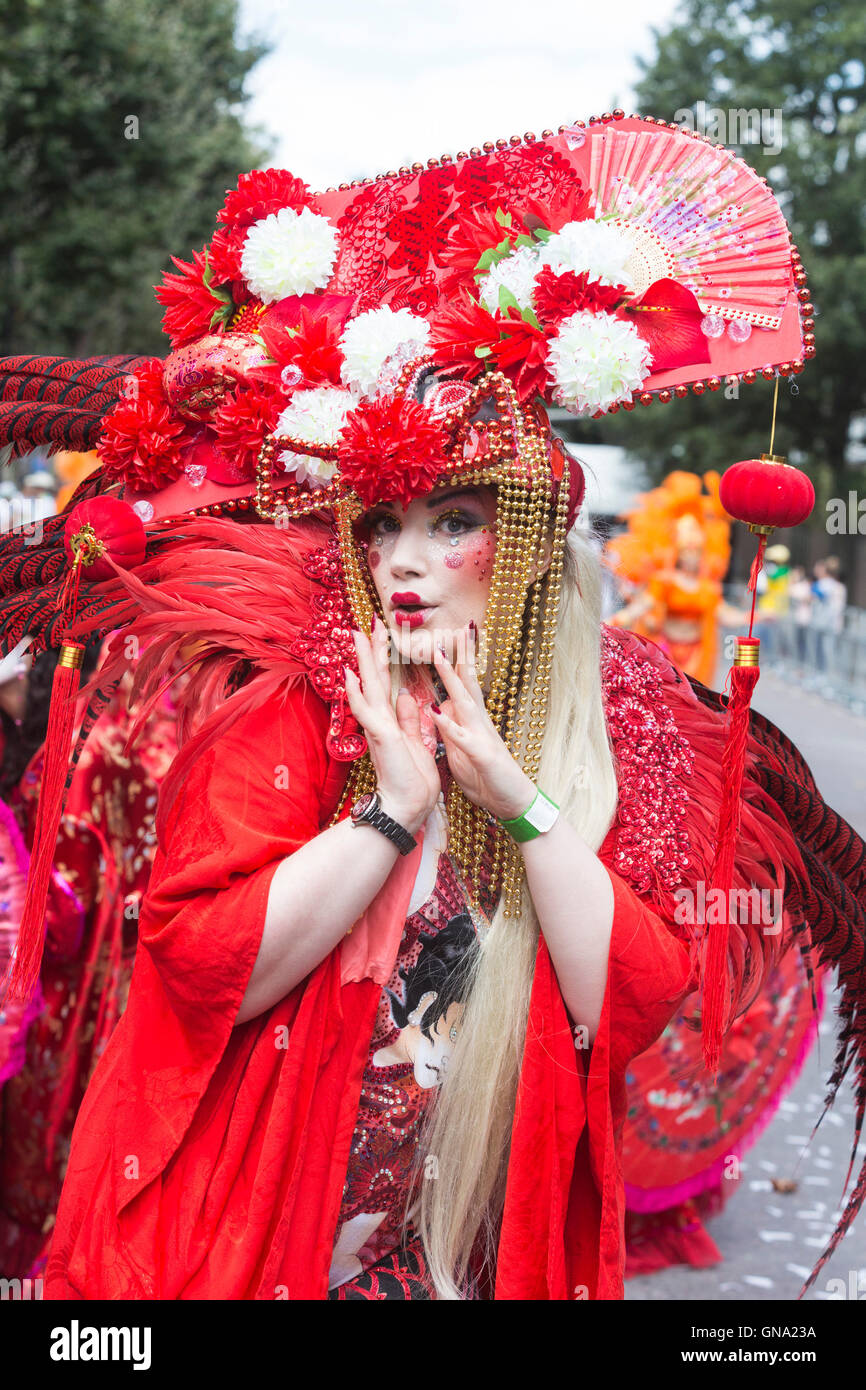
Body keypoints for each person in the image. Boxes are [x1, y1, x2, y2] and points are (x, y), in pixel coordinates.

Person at [0, 119, 863, 1302]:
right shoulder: (302, 702)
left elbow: (630, 996)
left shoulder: (623, 722)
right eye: (382, 524)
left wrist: (519, 802)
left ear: (518, 542)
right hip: (271, 1225)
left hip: (478, 1241)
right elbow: (207, 968)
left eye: (451, 521)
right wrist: (391, 813)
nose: (405, 561)